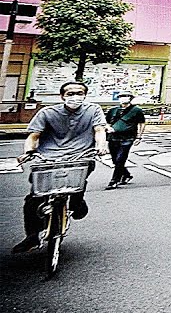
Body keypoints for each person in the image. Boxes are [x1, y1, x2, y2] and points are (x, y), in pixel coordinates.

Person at [12, 81, 108, 253]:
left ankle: (77, 202)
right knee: (34, 198)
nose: (75, 96)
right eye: (70, 93)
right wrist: (28, 151)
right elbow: (34, 135)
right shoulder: (47, 113)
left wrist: (101, 146)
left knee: (78, 183)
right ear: (62, 96)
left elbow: (99, 130)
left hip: (80, 157)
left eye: (79, 93)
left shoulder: (93, 110)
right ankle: (32, 236)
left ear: (85, 95)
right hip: (48, 159)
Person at [105, 91, 146, 188]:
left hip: (128, 137)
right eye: (122, 96)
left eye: (126, 96)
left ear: (131, 98)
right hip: (113, 137)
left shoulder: (136, 110)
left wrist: (139, 136)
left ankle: (114, 181)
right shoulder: (113, 110)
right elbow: (107, 122)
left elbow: (142, 123)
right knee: (115, 159)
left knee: (120, 159)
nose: (124, 98)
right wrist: (108, 128)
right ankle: (126, 175)